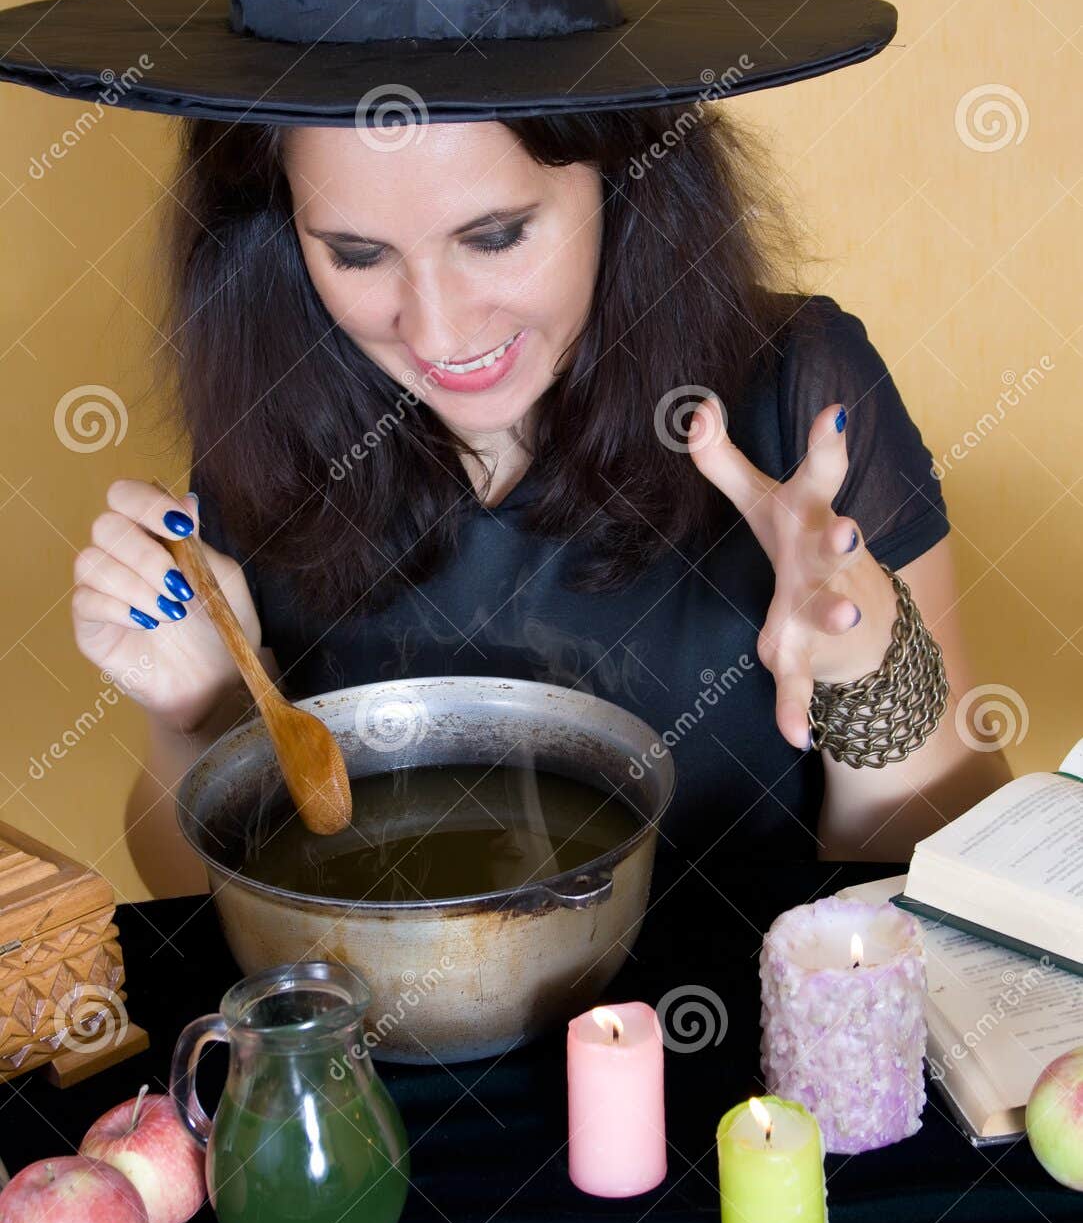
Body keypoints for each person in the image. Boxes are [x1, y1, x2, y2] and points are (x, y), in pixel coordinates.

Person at [69, 101, 1009, 894]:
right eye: (357, 253)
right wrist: (196, 715)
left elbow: (938, 885)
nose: (436, 327)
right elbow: (185, 895)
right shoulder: (278, 414)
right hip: (395, 1083)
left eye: (494, 237)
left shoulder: (797, 388)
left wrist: (864, 663)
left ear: (617, 178)